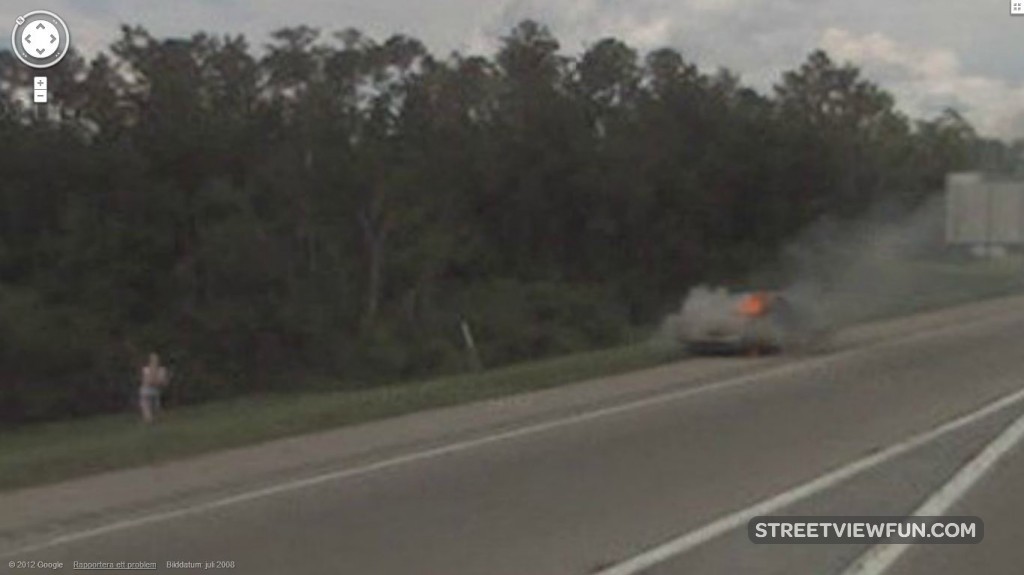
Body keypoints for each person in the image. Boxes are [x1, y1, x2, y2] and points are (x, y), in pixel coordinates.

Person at [139, 352, 169, 424]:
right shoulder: (146, 370)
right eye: (153, 360)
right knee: (147, 409)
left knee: (156, 409)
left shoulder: (162, 370)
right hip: (146, 392)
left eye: (156, 360)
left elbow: (164, 383)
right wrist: (157, 381)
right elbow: (147, 382)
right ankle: (149, 420)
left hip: (156, 392)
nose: (155, 362)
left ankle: (153, 420)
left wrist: (156, 381)